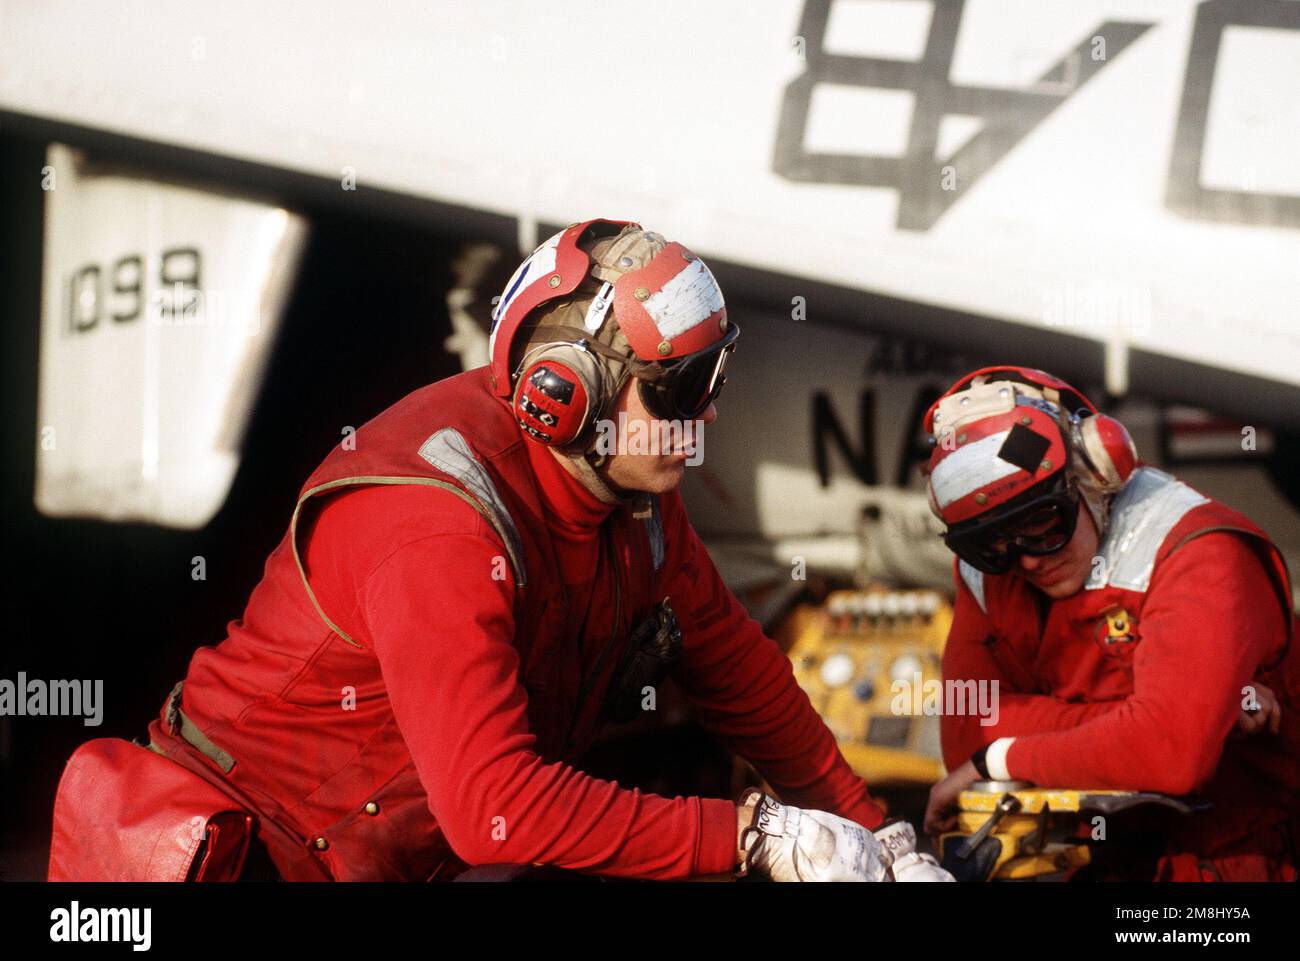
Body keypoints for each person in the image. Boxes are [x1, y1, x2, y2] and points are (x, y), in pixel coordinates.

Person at [50, 218, 950, 883]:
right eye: (681, 388)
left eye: (714, 379)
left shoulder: (632, 497)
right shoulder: (437, 524)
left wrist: (878, 837)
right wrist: (753, 837)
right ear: (567, 394)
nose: (708, 414)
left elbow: (739, 672)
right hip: (239, 859)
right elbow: (498, 809)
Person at [919, 365, 1300, 880]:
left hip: (1251, 856)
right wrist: (1159, 715)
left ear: (1095, 471)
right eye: (993, 542)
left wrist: (1000, 760)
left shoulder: (1202, 551)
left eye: (1041, 520)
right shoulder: (987, 571)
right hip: (1108, 855)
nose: (1026, 560)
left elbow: (1169, 755)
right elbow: (967, 731)